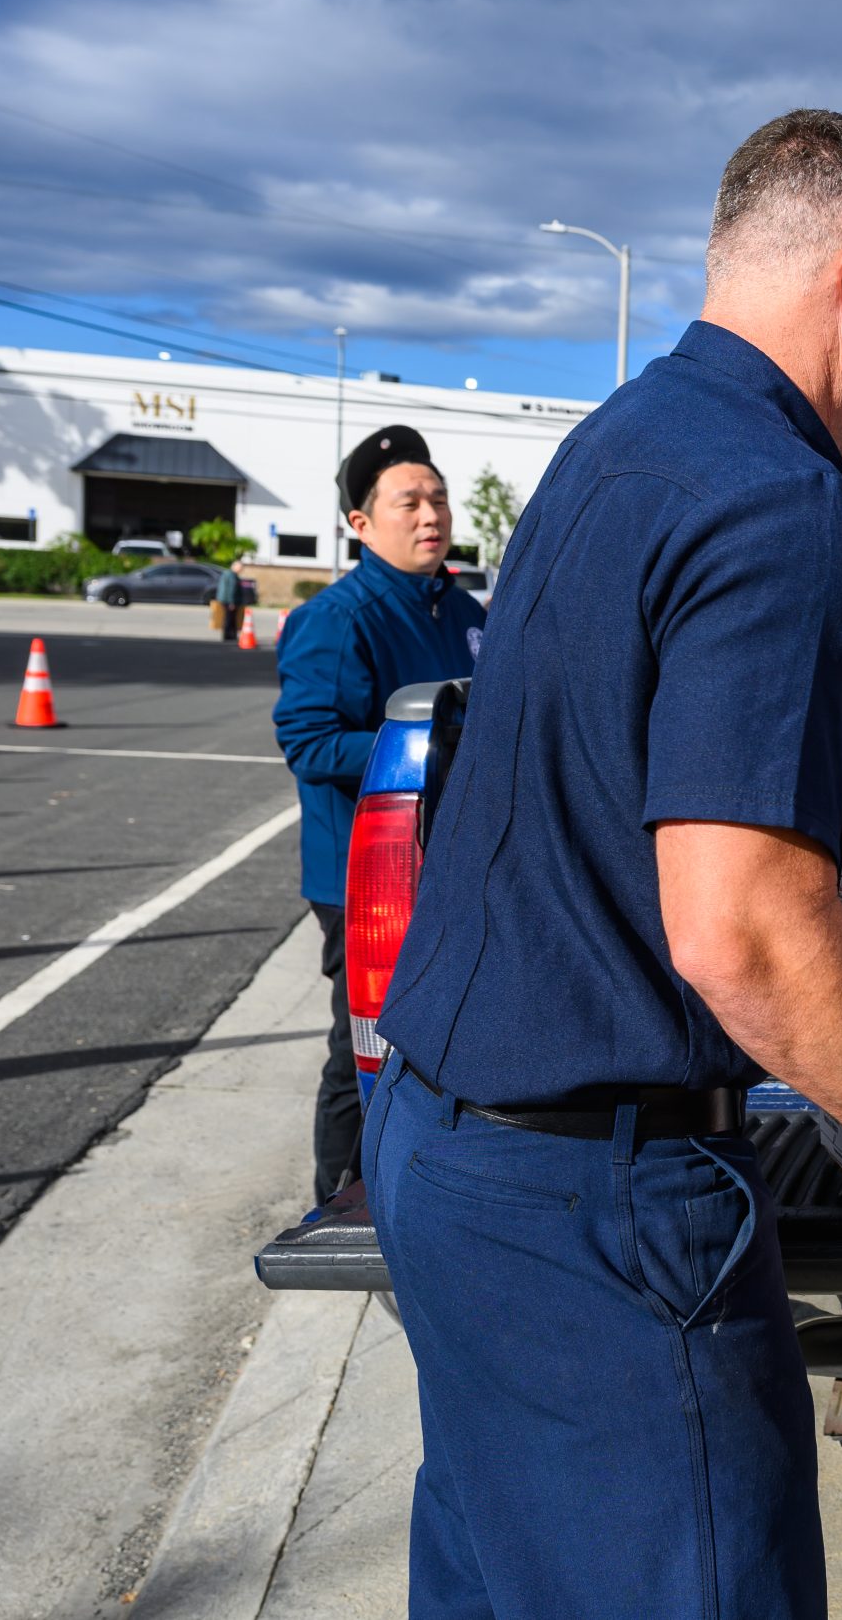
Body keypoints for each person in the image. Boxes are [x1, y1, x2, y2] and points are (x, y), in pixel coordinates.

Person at [362, 110, 842, 1619]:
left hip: (443, 1145)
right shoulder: (788, 506)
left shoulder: (620, 439)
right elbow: (743, 927)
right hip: (598, 1201)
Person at [272, 425, 484, 1206]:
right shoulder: (341, 617)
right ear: (360, 524)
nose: (431, 514)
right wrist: (437, 747)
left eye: (439, 498)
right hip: (368, 884)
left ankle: (430, 1181)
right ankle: (344, 1197)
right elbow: (312, 741)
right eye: (409, 502)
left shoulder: (460, 608)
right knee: (362, 1045)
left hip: (452, 864)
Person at [214, 556, 247, 643]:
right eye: (241, 568)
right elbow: (232, 589)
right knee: (230, 619)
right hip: (229, 600)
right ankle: (229, 636)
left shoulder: (226, 573)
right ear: (235, 567)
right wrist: (231, 602)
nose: (241, 570)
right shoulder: (232, 575)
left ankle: (230, 636)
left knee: (229, 618)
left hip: (224, 599)